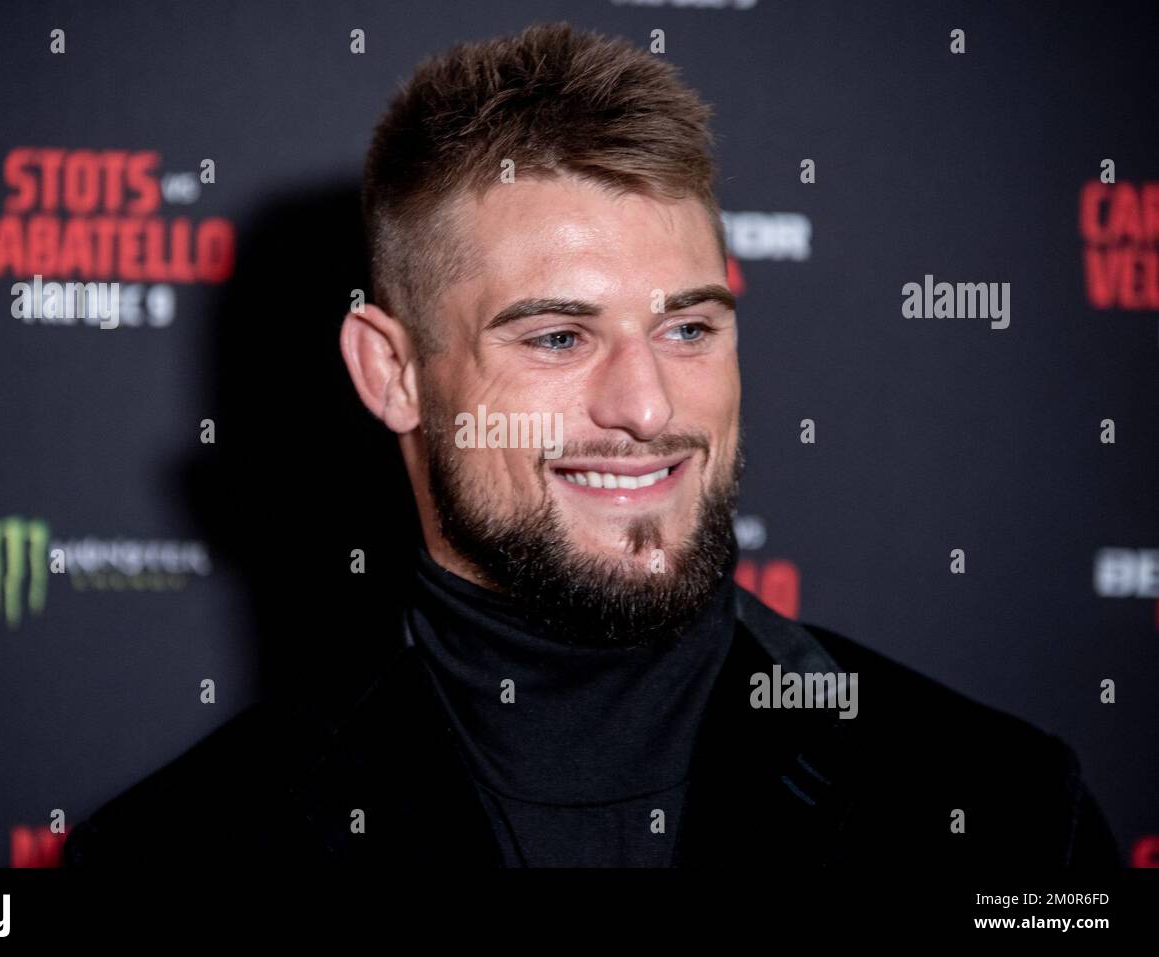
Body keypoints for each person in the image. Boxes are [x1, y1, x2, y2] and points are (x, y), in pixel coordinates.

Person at [63, 21, 1119, 869]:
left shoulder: (997, 806)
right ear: (392, 373)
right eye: (560, 336)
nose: (648, 407)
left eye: (688, 328)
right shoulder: (183, 851)